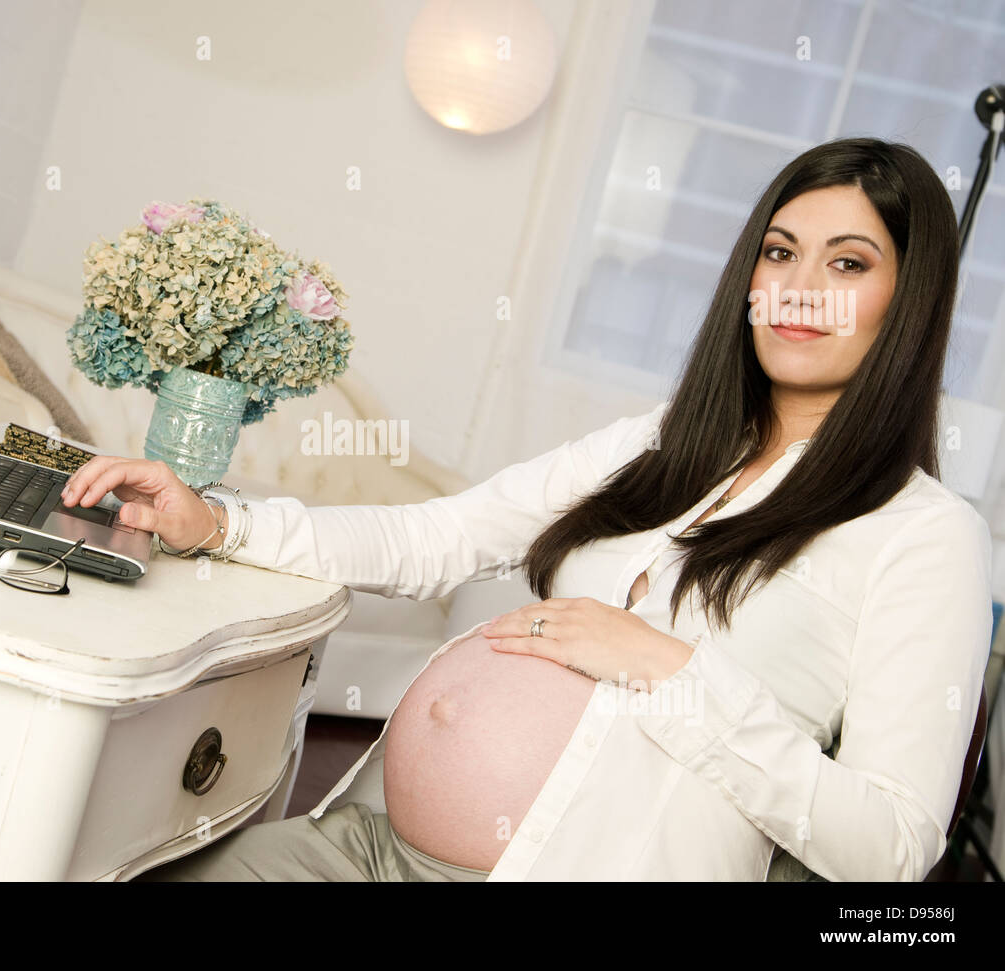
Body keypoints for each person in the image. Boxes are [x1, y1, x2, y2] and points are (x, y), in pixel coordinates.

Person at [61, 137, 993, 881]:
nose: (799, 287)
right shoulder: (664, 440)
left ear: (907, 302)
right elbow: (444, 534)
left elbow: (894, 845)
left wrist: (670, 669)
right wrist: (220, 522)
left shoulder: (926, 535)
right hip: (370, 840)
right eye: (780, 252)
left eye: (848, 263)